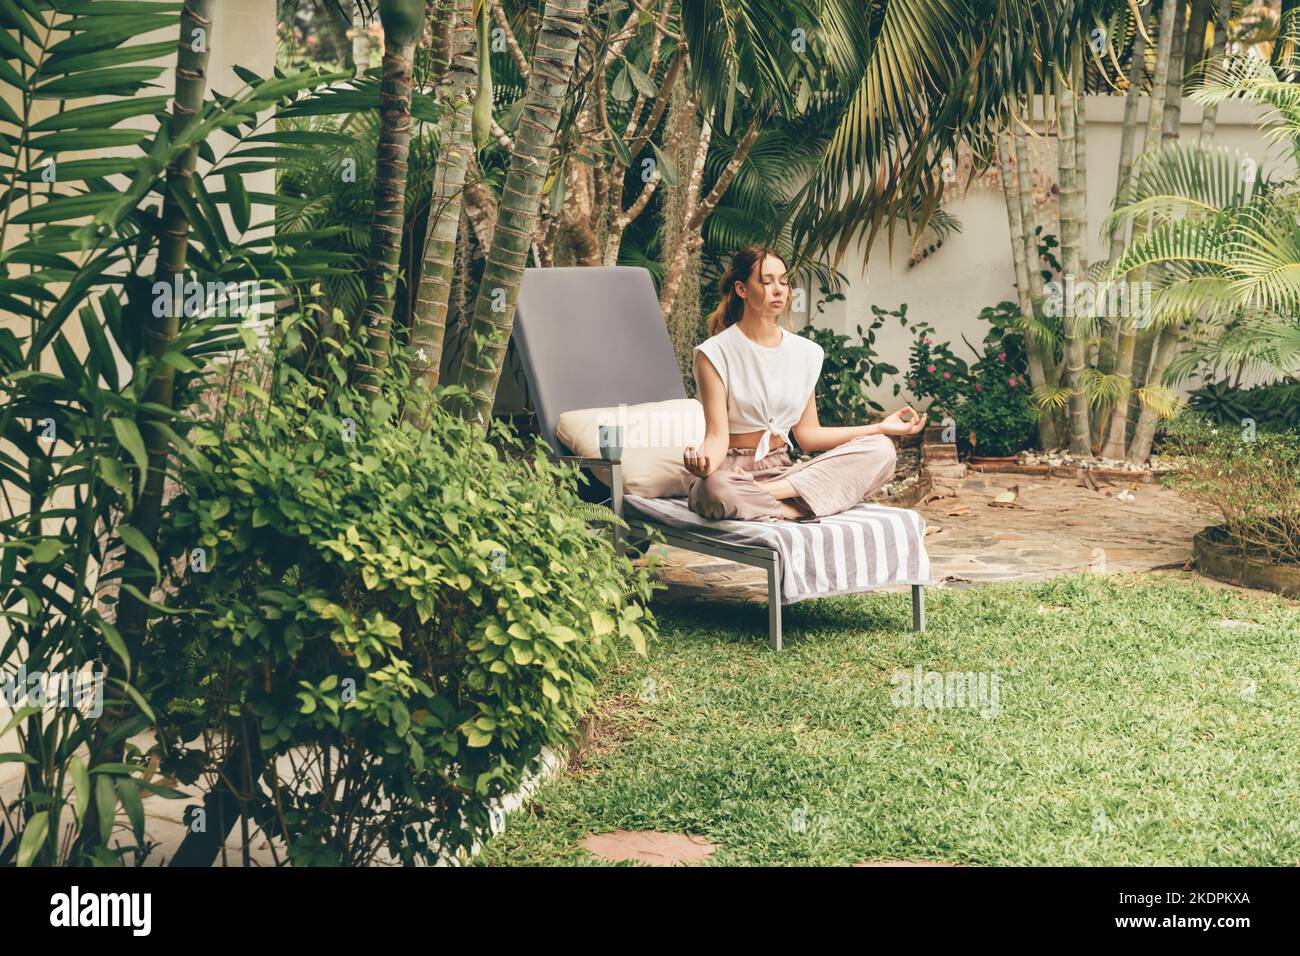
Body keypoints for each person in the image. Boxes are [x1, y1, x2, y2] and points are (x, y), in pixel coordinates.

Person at [684, 245, 927, 521]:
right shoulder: (715, 353)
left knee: (881, 449)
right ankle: (795, 507)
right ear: (742, 289)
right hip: (734, 473)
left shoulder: (805, 352)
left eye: (784, 281)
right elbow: (717, 436)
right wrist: (705, 467)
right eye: (766, 281)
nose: (779, 290)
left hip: (783, 473)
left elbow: (808, 435)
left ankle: (767, 494)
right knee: (713, 490)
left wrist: (880, 427)